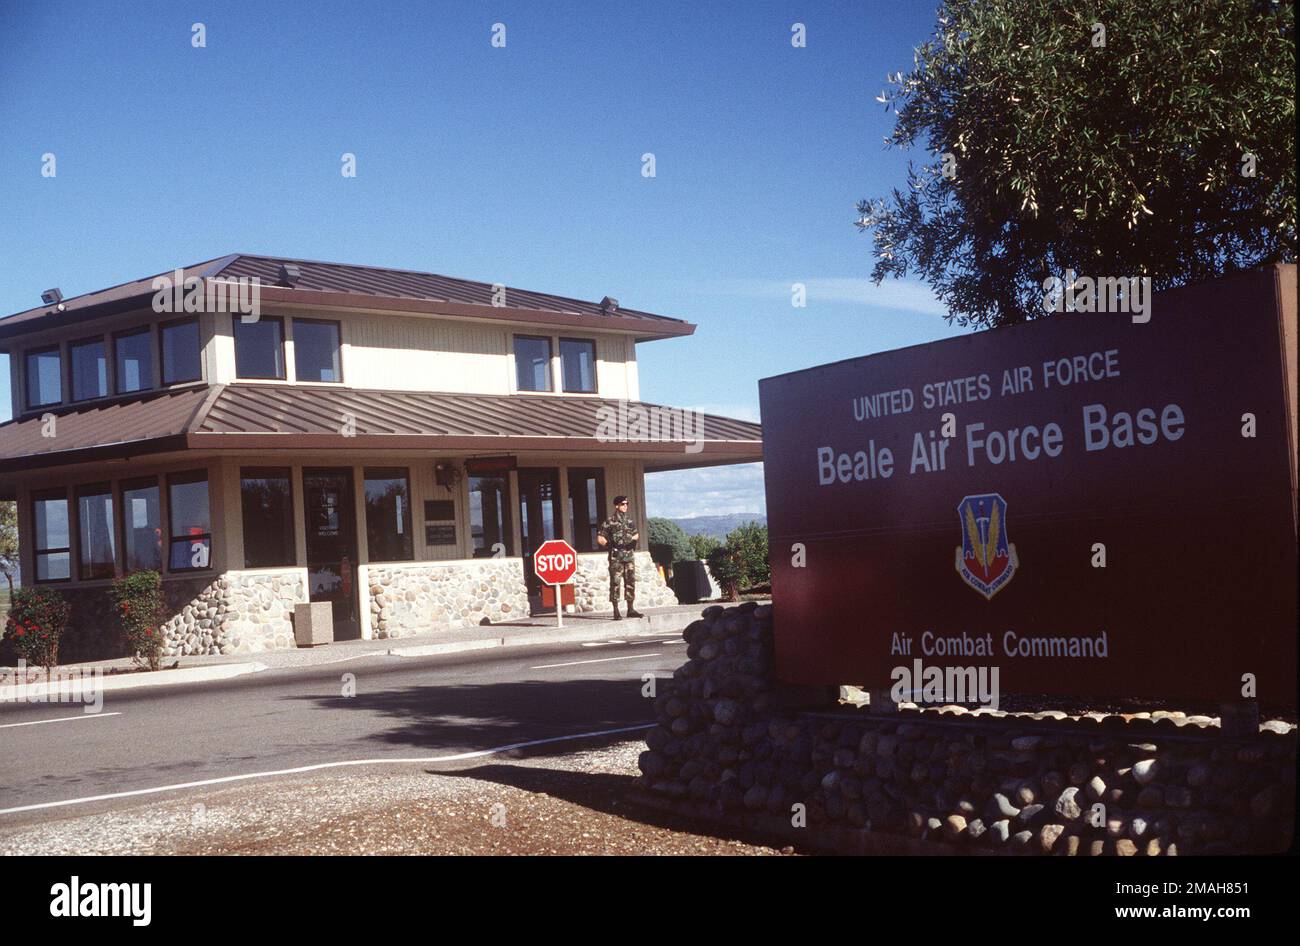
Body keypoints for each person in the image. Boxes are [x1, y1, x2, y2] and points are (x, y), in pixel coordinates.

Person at [596, 495, 643, 620]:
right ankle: (616, 611)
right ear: (617, 505)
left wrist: (632, 542)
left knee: (631, 582)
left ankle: (630, 609)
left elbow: (636, 535)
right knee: (615, 583)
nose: (625, 506)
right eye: (623, 504)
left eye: (627, 503)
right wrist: (610, 545)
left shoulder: (629, 522)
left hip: (629, 556)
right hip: (616, 557)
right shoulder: (609, 522)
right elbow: (600, 538)